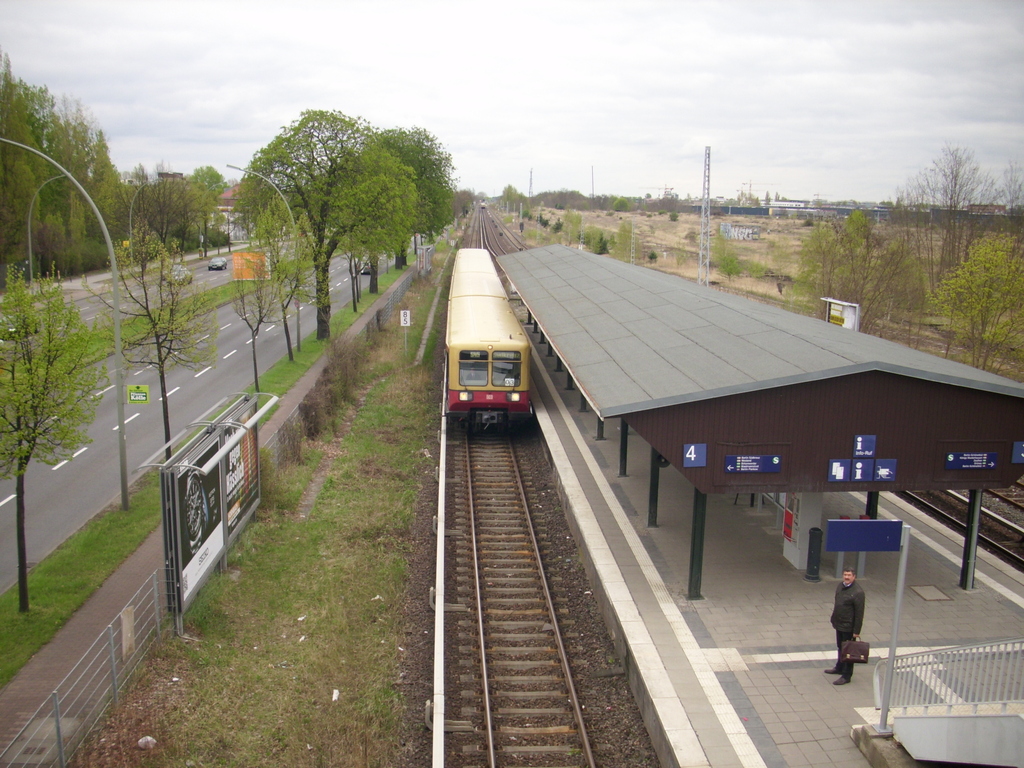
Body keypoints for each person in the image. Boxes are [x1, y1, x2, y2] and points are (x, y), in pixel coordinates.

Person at [825, 567, 865, 685]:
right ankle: (839, 667)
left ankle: (847, 675)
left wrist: (856, 630)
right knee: (840, 646)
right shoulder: (840, 586)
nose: (846, 577)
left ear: (854, 577)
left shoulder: (858, 592)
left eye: (849, 575)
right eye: (845, 575)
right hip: (839, 623)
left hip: (849, 626)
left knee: (848, 650)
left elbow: (859, 613)